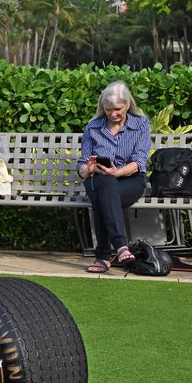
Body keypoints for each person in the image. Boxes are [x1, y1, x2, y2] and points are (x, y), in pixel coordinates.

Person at [77, 80, 151, 273]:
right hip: (98, 180)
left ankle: (103, 256)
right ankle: (121, 247)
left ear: (128, 104)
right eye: (108, 109)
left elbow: (139, 162)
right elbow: (82, 168)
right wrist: (89, 168)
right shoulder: (93, 127)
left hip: (130, 181)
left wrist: (117, 172)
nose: (113, 114)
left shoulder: (141, 124)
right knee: (105, 182)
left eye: (118, 109)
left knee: (104, 196)